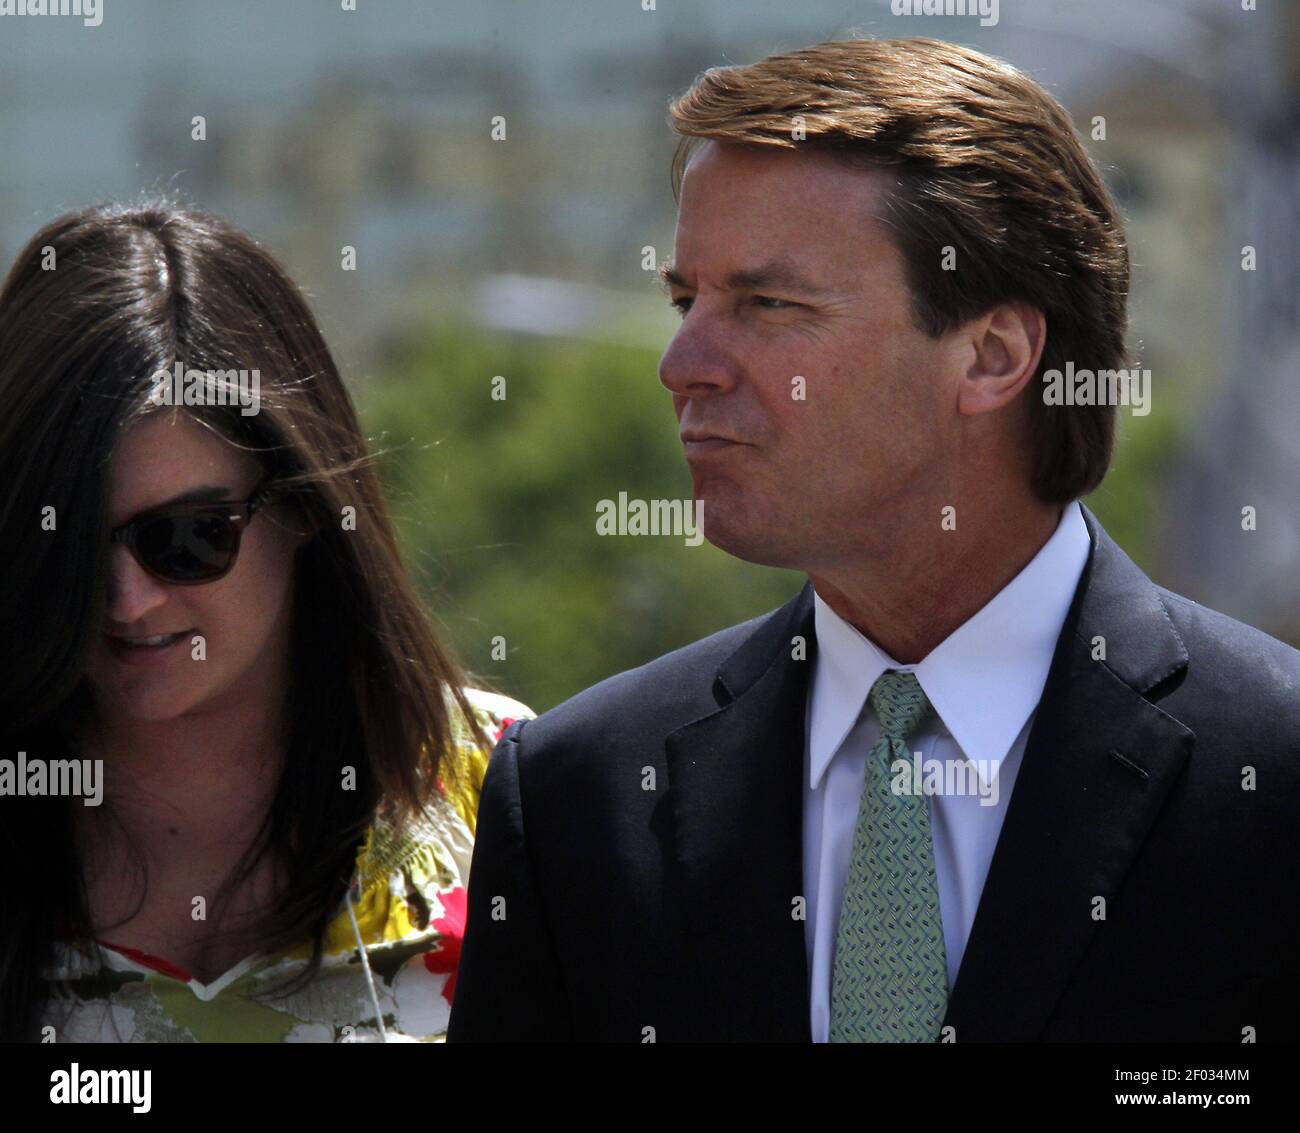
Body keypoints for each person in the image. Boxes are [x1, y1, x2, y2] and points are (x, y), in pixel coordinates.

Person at [449, 37, 1300, 1042]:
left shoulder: (1270, 778)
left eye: (767, 304)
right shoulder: (574, 800)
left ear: (990, 355)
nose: (682, 363)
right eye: (687, 301)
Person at [0, 200, 529, 1042]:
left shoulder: (518, 798)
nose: (126, 599)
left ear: (306, 505)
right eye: (67, 545)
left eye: (187, 537)